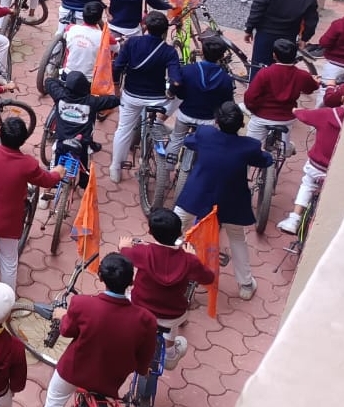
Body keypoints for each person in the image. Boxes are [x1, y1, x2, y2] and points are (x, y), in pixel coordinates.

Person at [174, 102, 272, 301]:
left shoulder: (205, 134)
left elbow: (189, 142)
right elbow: (265, 160)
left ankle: (168, 263)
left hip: (197, 195)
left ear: (217, 121)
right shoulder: (249, 146)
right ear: (240, 125)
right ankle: (245, 284)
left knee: (175, 224)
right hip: (230, 201)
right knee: (237, 238)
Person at [42, 253, 157, 407]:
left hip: (74, 371)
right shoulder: (146, 319)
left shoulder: (81, 304)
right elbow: (145, 356)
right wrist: (143, 370)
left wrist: (63, 317)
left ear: (101, 277)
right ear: (131, 282)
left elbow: (66, 331)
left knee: (54, 398)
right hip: (111, 379)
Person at [0, 117, 64, 289]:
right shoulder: (28, 164)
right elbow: (47, 180)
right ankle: (6, 302)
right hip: (5, 222)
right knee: (9, 261)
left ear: (1, 135)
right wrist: (58, 173)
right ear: (23, 140)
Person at [119, 209, 216, 370]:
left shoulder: (143, 252)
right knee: (171, 328)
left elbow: (125, 253)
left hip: (140, 307)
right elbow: (208, 279)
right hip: (172, 314)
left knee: (128, 300)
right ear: (180, 233)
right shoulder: (189, 261)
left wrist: (123, 246)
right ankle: (170, 353)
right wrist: (194, 258)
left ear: (150, 232)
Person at [109, 11, 181, 183]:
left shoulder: (132, 43)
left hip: (131, 95)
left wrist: (117, 88)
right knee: (180, 97)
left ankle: (115, 168)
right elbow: (177, 81)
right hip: (156, 100)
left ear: (145, 27)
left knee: (123, 129)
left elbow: (117, 67)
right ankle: (158, 121)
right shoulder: (169, 51)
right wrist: (171, 91)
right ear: (165, 31)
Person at [278, 85, 344, 234]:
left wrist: (295, 110)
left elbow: (305, 115)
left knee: (307, 184)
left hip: (318, 167)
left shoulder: (328, 114)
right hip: (339, 174)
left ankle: (294, 219)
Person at [244, 0, 318, 76]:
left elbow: (256, 12)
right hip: (288, 37)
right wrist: (304, 38)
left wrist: (249, 30)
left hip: (265, 36)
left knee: (260, 69)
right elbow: (311, 21)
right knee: (283, 70)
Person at [169, 38, 234, 161]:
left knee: (176, 139)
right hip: (209, 120)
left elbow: (178, 92)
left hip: (186, 115)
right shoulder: (225, 79)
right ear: (221, 56)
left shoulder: (187, 70)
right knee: (207, 147)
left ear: (202, 53)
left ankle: (166, 168)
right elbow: (226, 103)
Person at [243, 38, 318, 144]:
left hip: (262, 116)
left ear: (274, 55)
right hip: (287, 117)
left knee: (251, 144)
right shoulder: (302, 75)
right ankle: (286, 148)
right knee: (285, 139)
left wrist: (253, 110)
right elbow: (311, 88)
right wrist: (315, 81)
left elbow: (250, 97)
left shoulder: (264, 73)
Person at [45, 72, 118, 177]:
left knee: (58, 163)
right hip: (82, 142)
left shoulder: (59, 95)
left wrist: (63, 84)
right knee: (84, 162)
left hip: (62, 139)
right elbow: (113, 100)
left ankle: (55, 183)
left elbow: (49, 81)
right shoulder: (92, 102)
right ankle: (84, 183)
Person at [60, 1, 105, 81]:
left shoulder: (71, 28)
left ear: (83, 16)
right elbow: (117, 48)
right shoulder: (103, 36)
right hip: (88, 81)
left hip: (67, 76)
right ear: (99, 18)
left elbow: (64, 35)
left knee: (49, 81)